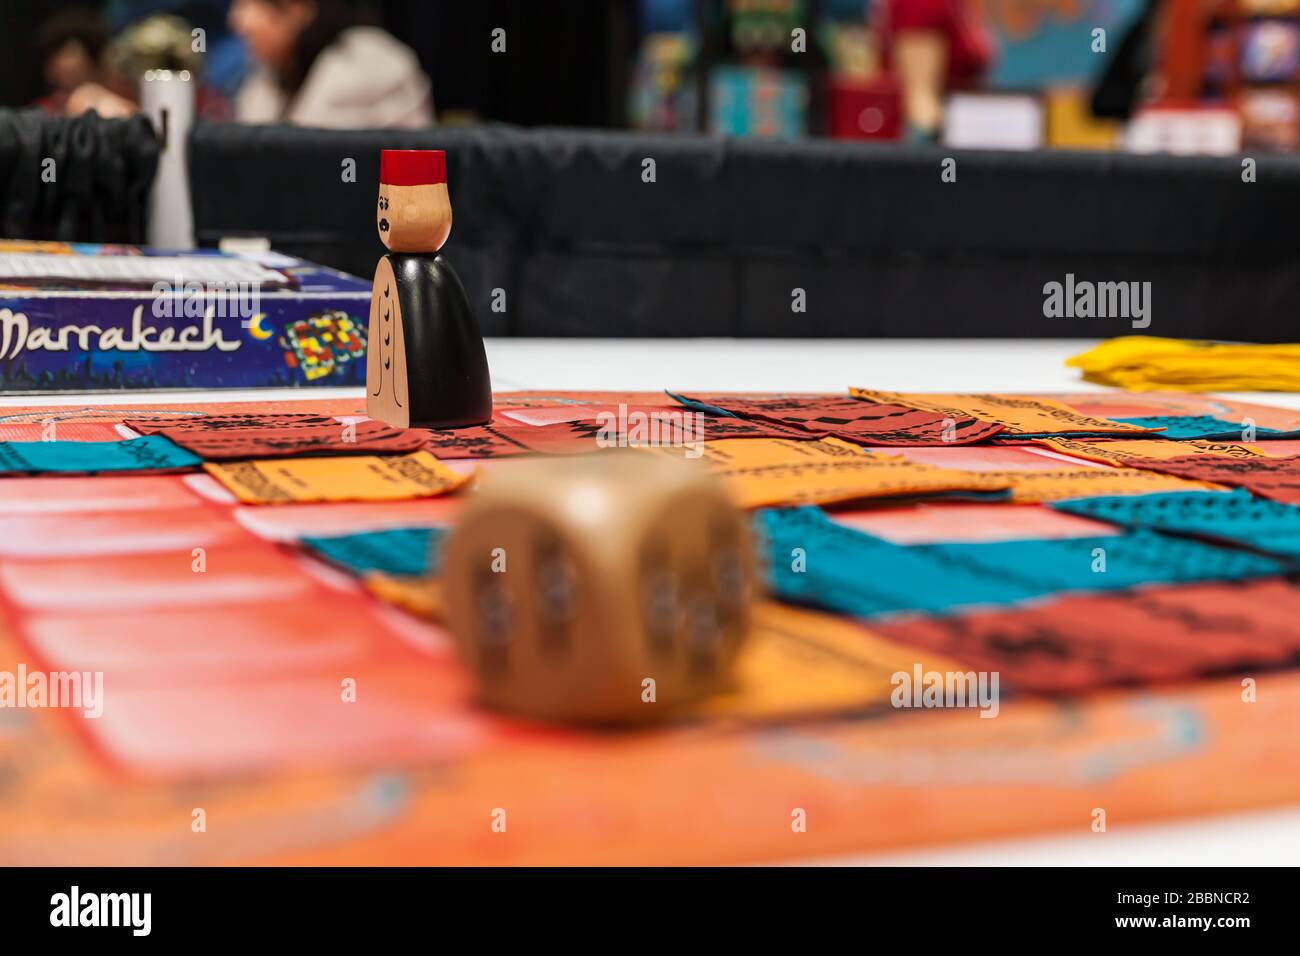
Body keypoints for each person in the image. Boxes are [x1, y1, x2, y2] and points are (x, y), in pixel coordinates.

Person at [229, 0, 434, 127]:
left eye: (249, 3)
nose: (236, 19)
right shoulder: (265, 76)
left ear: (297, 8)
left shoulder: (369, 63)